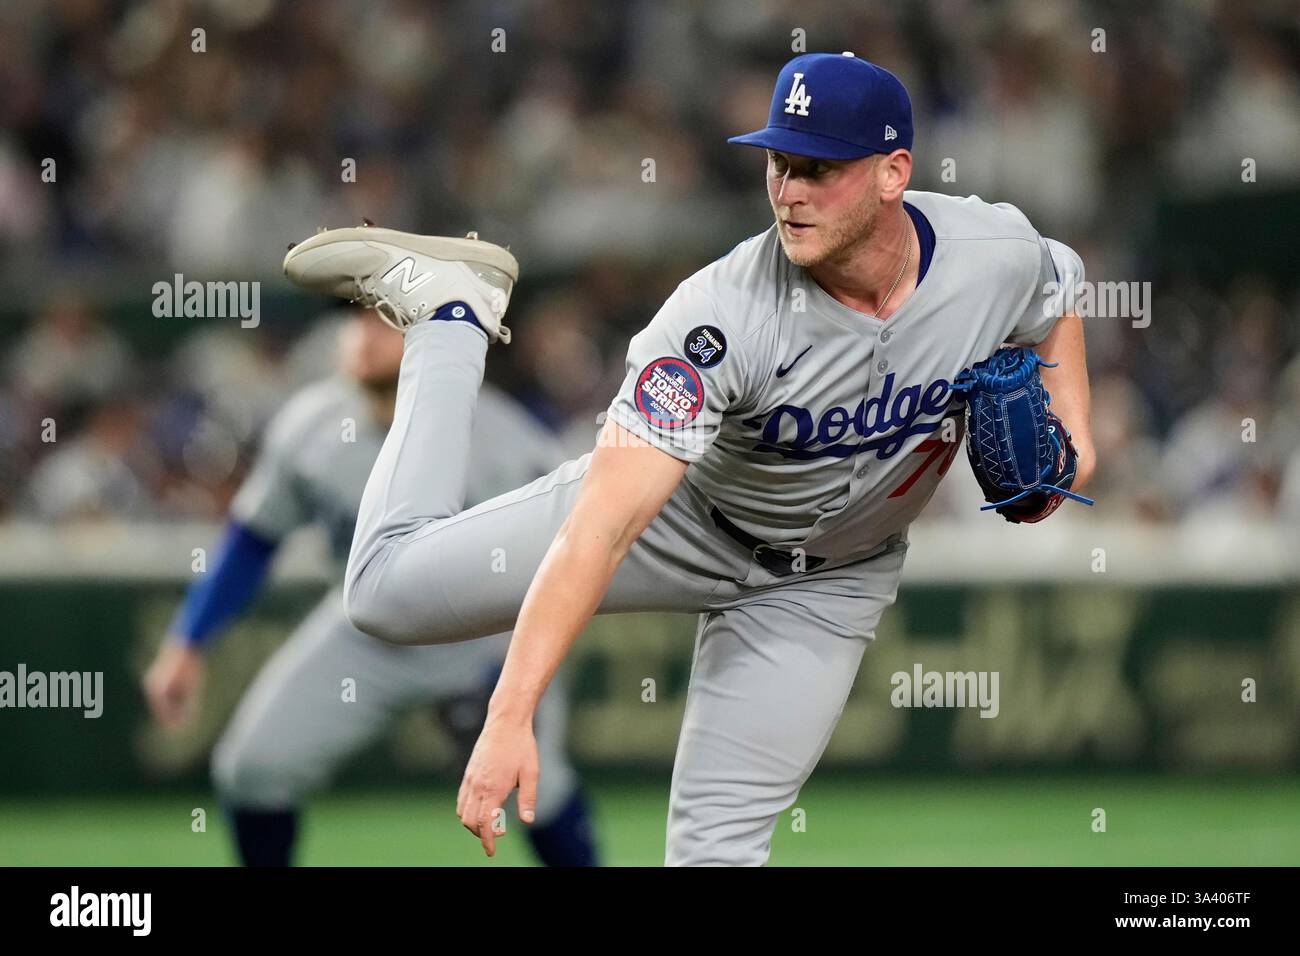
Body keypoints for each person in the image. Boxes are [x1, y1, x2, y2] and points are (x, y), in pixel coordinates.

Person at [283, 53, 1095, 866]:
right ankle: (450, 316)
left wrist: (1076, 444)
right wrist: (509, 714)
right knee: (383, 593)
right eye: (780, 163)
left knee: (717, 852)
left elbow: (1057, 286)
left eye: (820, 169)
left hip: (827, 584)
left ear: (893, 174)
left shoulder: (990, 250)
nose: (789, 190)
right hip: (676, 524)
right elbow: (602, 528)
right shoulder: (720, 318)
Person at [142, 308, 599, 866]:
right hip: (364, 631)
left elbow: (574, 544)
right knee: (252, 769)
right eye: (356, 321)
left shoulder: (502, 434)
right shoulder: (312, 425)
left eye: (386, 323)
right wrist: (188, 640)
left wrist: (518, 662)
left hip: (483, 635)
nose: (363, 336)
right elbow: (254, 540)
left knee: (536, 787)